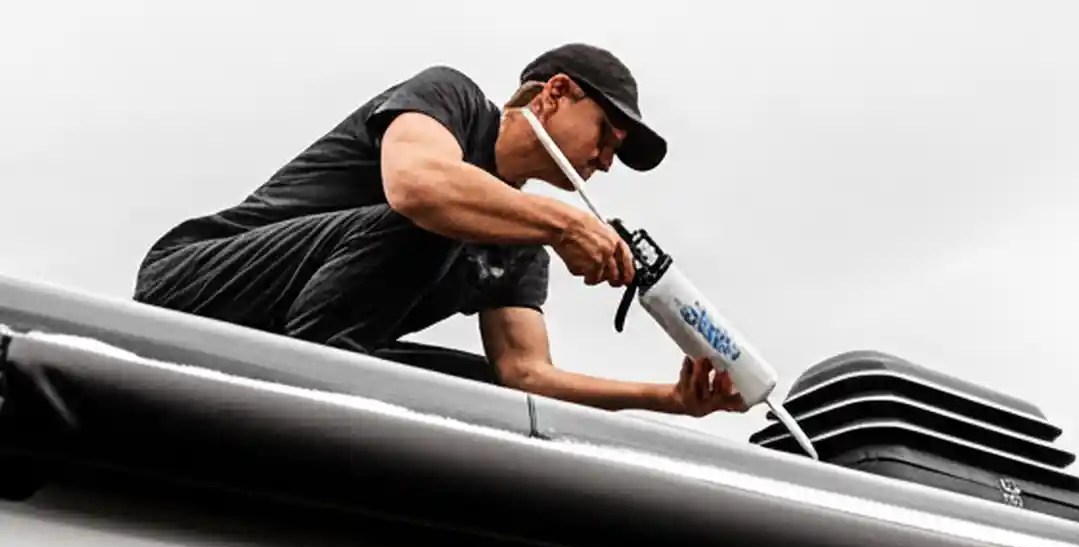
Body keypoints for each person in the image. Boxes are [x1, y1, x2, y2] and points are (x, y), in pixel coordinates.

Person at [131, 42, 746, 418]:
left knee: (498, 399)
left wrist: (666, 400)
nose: (606, 160)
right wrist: (561, 224)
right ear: (556, 94)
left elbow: (527, 375)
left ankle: (350, 403)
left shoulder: (521, 237)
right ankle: (335, 390)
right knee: (429, 219)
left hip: (299, 334)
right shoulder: (449, 100)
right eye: (606, 135)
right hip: (192, 287)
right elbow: (418, 187)